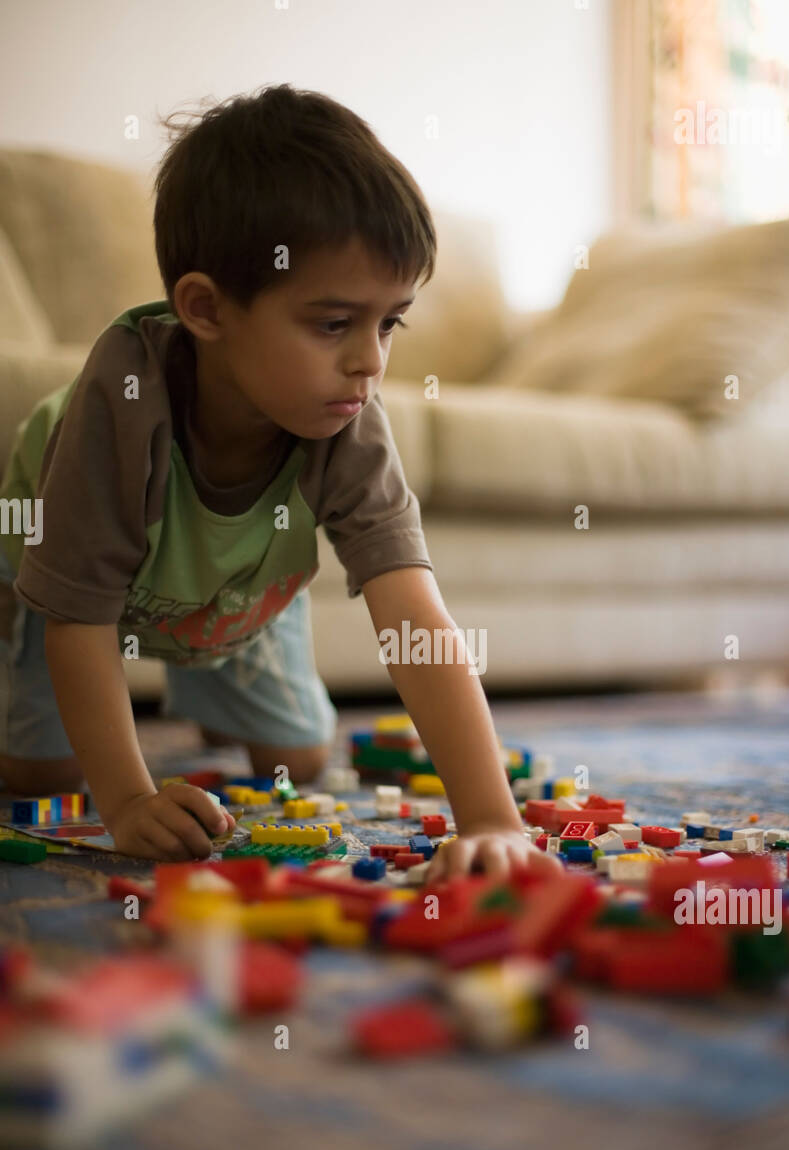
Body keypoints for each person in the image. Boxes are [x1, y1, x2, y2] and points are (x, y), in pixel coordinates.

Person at [0, 84, 562, 883]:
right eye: (333, 324)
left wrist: (492, 819)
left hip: (232, 599)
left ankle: (208, 689)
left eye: (389, 322)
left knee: (295, 756)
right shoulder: (121, 402)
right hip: (69, 585)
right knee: (43, 777)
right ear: (205, 309)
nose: (370, 360)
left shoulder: (346, 412)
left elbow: (414, 617)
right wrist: (126, 801)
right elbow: (80, 619)